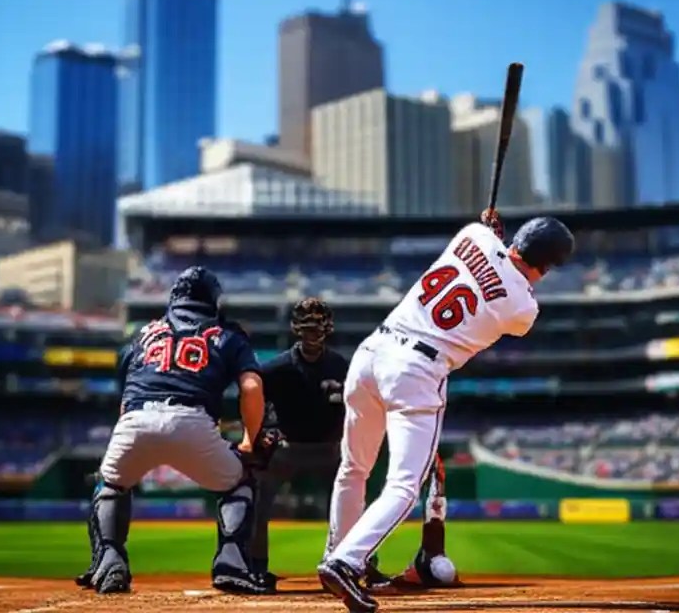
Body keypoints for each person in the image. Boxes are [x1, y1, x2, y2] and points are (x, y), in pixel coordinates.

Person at [316, 210, 574, 612]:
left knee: (354, 469)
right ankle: (345, 562)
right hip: (416, 372)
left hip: (371, 353)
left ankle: (338, 550)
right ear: (546, 263)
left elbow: (487, 252)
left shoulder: (472, 234)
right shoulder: (524, 309)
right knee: (403, 485)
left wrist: (492, 236)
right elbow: (513, 290)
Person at [76, 266, 278, 595]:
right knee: (240, 481)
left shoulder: (143, 334)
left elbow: (126, 397)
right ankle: (231, 563)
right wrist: (248, 442)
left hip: (134, 421)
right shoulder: (228, 335)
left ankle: (109, 560)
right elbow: (253, 388)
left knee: (111, 483)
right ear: (214, 301)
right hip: (192, 422)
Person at [248, 297, 391, 592]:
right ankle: (256, 568)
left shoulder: (342, 366)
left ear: (328, 329)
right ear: (296, 329)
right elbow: (251, 399)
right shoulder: (276, 368)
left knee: (355, 500)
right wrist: (263, 432)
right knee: (257, 499)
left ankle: (361, 566)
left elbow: (361, 407)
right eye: (307, 327)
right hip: (287, 449)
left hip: (330, 450)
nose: (312, 333)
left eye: (318, 327)